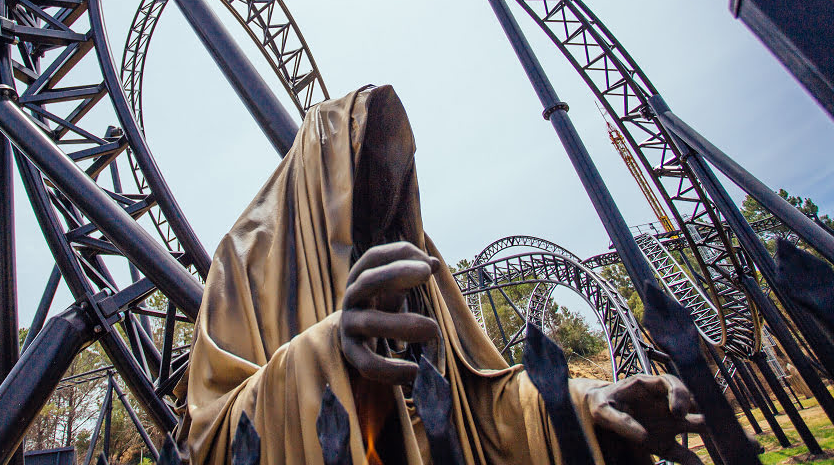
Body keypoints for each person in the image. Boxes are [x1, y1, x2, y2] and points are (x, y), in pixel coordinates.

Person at [174, 85, 704, 464]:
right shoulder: (246, 257)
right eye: (376, 172)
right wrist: (329, 350)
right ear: (334, 171)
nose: (394, 193)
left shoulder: (410, 255)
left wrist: (583, 401)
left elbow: (483, 400)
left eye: (404, 176)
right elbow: (211, 439)